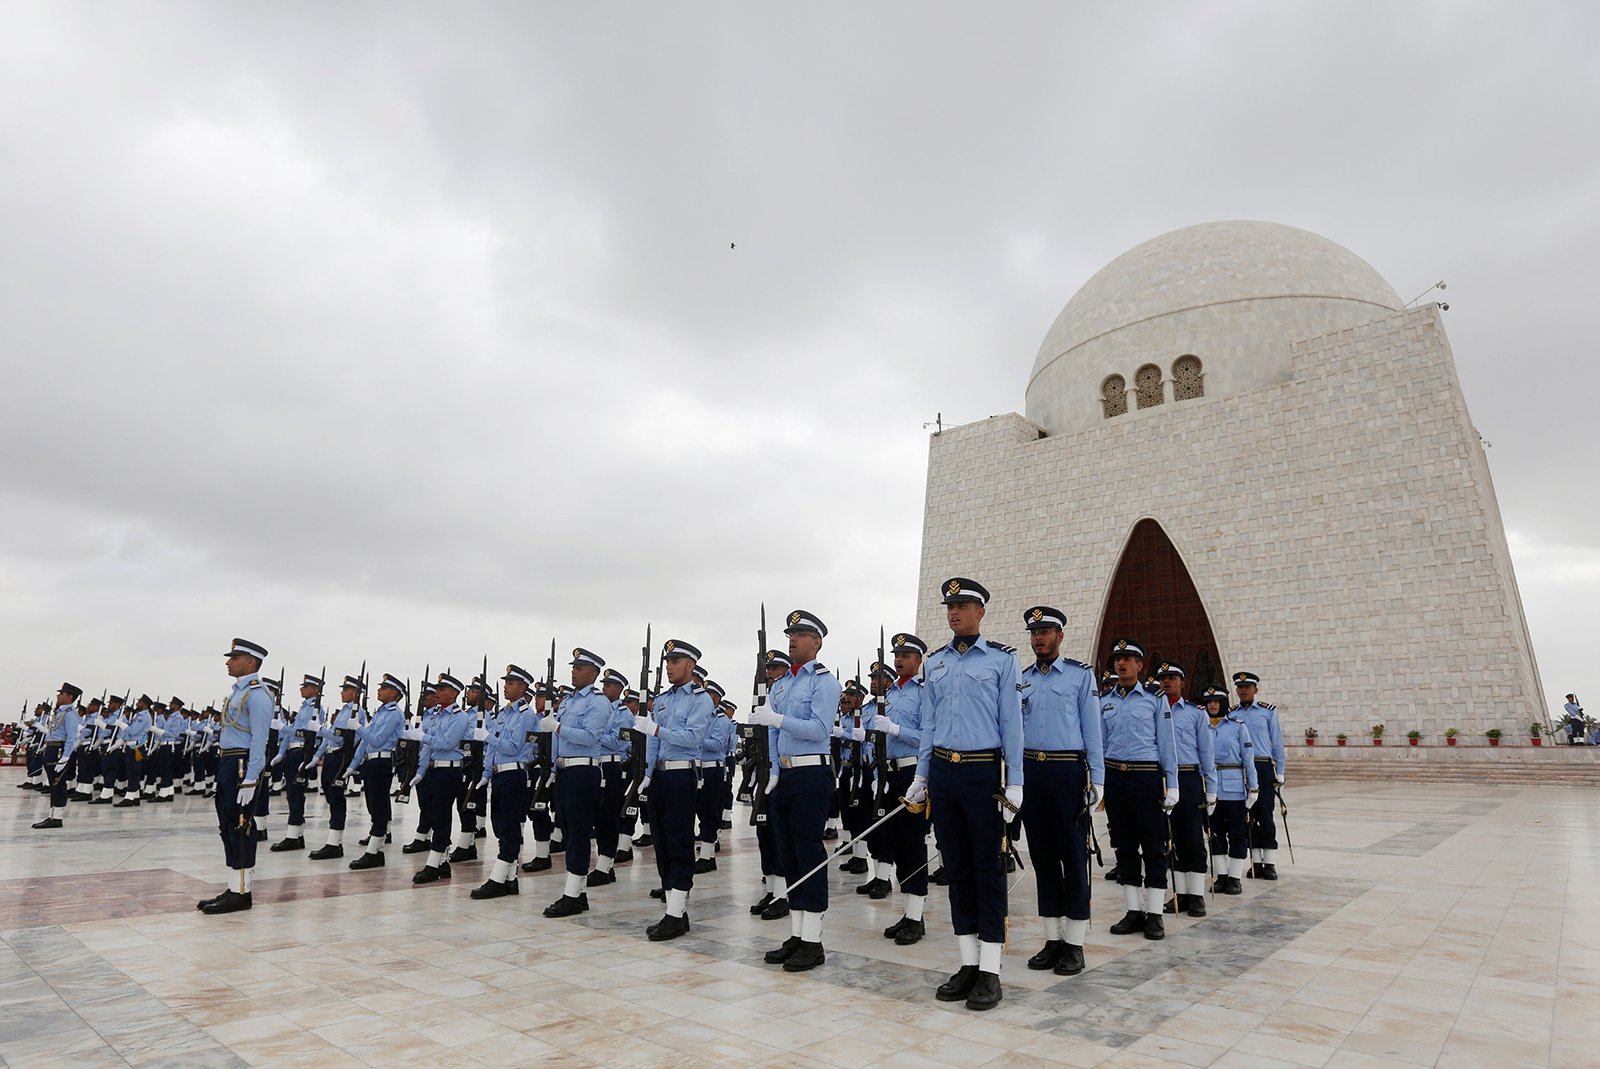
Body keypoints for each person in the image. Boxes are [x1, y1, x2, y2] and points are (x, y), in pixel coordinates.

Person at [906, 578, 1023, 1011]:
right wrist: (921, 776)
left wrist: (1016, 782)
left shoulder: (1002, 660)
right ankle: (968, 962)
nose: (954, 612)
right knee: (955, 868)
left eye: (963, 605)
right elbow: (929, 726)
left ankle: (991, 968)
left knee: (986, 869)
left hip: (981, 772)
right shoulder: (934, 663)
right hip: (943, 771)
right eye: (950, 606)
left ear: (981, 612)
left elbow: (1012, 722)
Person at [747, 610, 841, 972]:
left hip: (811, 775)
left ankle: (813, 940)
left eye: (801, 633)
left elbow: (819, 730)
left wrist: (778, 719)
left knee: (809, 855)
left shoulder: (824, 683)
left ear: (816, 642)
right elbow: (771, 732)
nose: (793, 638)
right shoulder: (782, 684)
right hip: (784, 776)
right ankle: (797, 933)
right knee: (788, 856)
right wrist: (771, 769)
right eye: (790, 633)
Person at [1016, 607, 1104, 976]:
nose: (1038, 637)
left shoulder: (1081, 677)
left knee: (1073, 856)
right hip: (1032, 770)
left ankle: (1075, 943)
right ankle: (1052, 939)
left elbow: (1093, 729)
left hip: (1068, 771)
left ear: (1060, 636)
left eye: (1046, 631)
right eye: (1034, 632)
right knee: (1043, 858)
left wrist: (1097, 779)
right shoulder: (1022, 680)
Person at [635, 639, 715, 940]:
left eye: (675, 661)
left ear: (690, 666)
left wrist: (655, 728)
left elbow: (692, 739)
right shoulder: (664, 699)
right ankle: (675, 910)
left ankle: (675, 913)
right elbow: (654, 742)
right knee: (662, 844)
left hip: (682, 777)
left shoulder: (700, 699)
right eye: (667, 661)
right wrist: (646, 773)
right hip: (660, 777)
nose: (668, 666)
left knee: (680, 843)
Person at [1100, 638, 1178, 940]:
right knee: (1124, 846)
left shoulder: (1154, 697)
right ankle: (1133, 911)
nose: (1121, 663)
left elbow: (1166, 743)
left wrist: (1172, 783)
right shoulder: (1105, 699)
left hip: (1146, 778)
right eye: (1118, 658)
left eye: (1128, 659)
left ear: (1140, 665)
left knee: (1154, 845)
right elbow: (1103, 743)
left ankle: (1155, 913)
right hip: (1116, 778)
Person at [198, 638, 274, 914]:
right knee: (227, 825)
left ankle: (242, 893)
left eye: (234, 657)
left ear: (250, 662)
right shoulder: (238, 692)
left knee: (241, 825)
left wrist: (252, 776)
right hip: (229, 761)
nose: (228, 662)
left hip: (242, 763)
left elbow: (260, 739)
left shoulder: (257, 694)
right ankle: (235, 886)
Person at [542, 648, 617, 916]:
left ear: (594, 673)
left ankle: (573, 895)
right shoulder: (569, 701)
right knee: (568, 829)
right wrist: (551, 768)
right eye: (573, 666)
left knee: (578, 832)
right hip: (564, 772)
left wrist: (558, 727)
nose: (574, 670)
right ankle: (578, 892)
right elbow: (557, 740)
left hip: (582, 772)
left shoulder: (598, 702)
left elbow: (589, 737)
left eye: (580, 667)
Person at [871, 633, 931, 946]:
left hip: (912, 771)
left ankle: (916, 917)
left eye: (906, 654)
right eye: (897, 654)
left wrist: (896, 729)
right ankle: (907, 911)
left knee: (912, 845)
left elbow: (928, 738)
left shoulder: (924, 692)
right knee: (892, 843)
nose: (899, 659)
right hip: (889, 772)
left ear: (919, 659)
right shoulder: (890, 693)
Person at [467, 664, 537, 897]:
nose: (505, 687)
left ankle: (498, 879)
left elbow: (512, 746)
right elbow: (493, 751)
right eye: (505, 682)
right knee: (500, 826)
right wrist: (486, 775)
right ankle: (510, 878)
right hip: (499, 774)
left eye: (510, 683)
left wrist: (486, 736)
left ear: (522, 687)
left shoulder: (525, 715)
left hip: (513, 774)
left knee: (508, 827)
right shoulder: (504, 713)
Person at [1156, 661, 1215, 918]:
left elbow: (1206, 752)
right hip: (1162, 780)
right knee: (1171, 838)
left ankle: (1197, 895)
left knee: (1192, 838)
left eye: (1171, 677)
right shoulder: (1154, 709)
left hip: (1188, 777)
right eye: (1162, 678)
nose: (1166, 682)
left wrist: (1211, 788)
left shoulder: (1196, 713)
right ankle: (1180, 894)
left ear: (1182, 681)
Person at [406, 672, 471, 883]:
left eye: (442, 689)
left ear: (453, 693)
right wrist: (420, 771)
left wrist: (422, 736)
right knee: (432, 814)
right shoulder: (435, 715)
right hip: (434, 771)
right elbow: (427, 749)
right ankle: (443, 862)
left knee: (441, 817)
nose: (437, 693)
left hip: (448, 771)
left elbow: (446, 743)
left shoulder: (460, 717)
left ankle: (433, 865)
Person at [747, 649, 792, 920]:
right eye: (768, 669)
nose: (770, 674)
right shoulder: (764, 700)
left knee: (780, 836)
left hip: (782, 772)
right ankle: (772, 888)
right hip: (763, 773)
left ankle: (784, 893)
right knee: (764, 835)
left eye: (775, 669)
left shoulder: (784, 700)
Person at [347, 674, 404, 870]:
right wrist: (353, 765)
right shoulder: (380, 712)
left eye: (384, 688)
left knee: (378, 806)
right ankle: (375, 842)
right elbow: (365, 742)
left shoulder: (394, 713)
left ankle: (374, 852)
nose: (379, 690)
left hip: (382, 761)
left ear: (395, 693)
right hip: (371, 763)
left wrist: (359, 728)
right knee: (373, 804)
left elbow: (378, 740)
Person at [1204, 687, 1257, 893]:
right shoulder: (1202, 726)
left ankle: (1235, 877)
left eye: (1216, 701)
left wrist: (1253, 787)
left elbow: (1248, 758)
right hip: (1210, 788)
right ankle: (1221, 875)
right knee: (1214, 833)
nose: (1212, 705)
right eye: (1209, 701)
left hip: (1234, 788)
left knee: (1236, 832)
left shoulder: (1238, 727)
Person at [1233, 672, 1285, 879]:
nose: (1243, 690)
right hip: (1240, 769)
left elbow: (1277, 743)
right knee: (1247, 816)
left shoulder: (1267, 712)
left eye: (1247, 687)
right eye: (1240, 687)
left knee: (1265, 814)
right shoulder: (1231, 713)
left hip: (1262, 766)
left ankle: (1270, 862)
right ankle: (1255, 862)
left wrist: (1279, 772)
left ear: (1256, 689)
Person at [308, 674, 362, 860]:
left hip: (341, 757)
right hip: (331, 756)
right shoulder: (343, 711)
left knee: (337, 797)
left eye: (346, 690)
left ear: (355, 693)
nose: (342, 692)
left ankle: (335, 843)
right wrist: (317, 756)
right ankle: (333, 840)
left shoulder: (357, 712)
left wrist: (320, 730)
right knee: (330, 796)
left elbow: (342, 739)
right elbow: (328, 737)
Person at [589, 667, 634, 885]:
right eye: (603, 684)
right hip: (596, 766)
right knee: (597, 817)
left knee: (608, 817)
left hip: (611, 767)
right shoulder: (599, 709)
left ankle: (606, 865)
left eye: (608, 685)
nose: (604, 688)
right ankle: (604, 862)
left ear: (619, 689)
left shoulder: (623, 713)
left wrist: (595, 735)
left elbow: (618, 743)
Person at [269, 674, 324, 853]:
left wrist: (283, 728)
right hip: (292, 752)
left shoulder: (315, 708)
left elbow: (305, 734)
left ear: (315, 690)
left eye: (306, 686)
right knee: (292, 794)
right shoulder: (304, 707)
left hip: (301, 752)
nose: (301, 689)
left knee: (296, 793)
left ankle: (293, 836)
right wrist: (281, 752)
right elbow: (291, 734)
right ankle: (297, 835)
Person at [695, 688, 737, 873]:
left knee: (709, 812)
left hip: (713, 768)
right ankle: (707, 852)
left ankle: (707, 856)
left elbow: (718, 745)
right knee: (699, 811)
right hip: (698, 767)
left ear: (717, 698)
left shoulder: (721, 719)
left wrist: (695, 738)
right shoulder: (699, 716)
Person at [31, 684, 81, 830]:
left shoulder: (71, 713)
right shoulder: (60, 712)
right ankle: (52, 815)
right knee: (54, 782)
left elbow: (71, 737)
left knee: (58, 783)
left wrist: (65, 757)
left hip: (59, 749)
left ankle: (57, 817)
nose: (58, 696)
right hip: (52, 747)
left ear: (69, 696)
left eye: (62, 694)